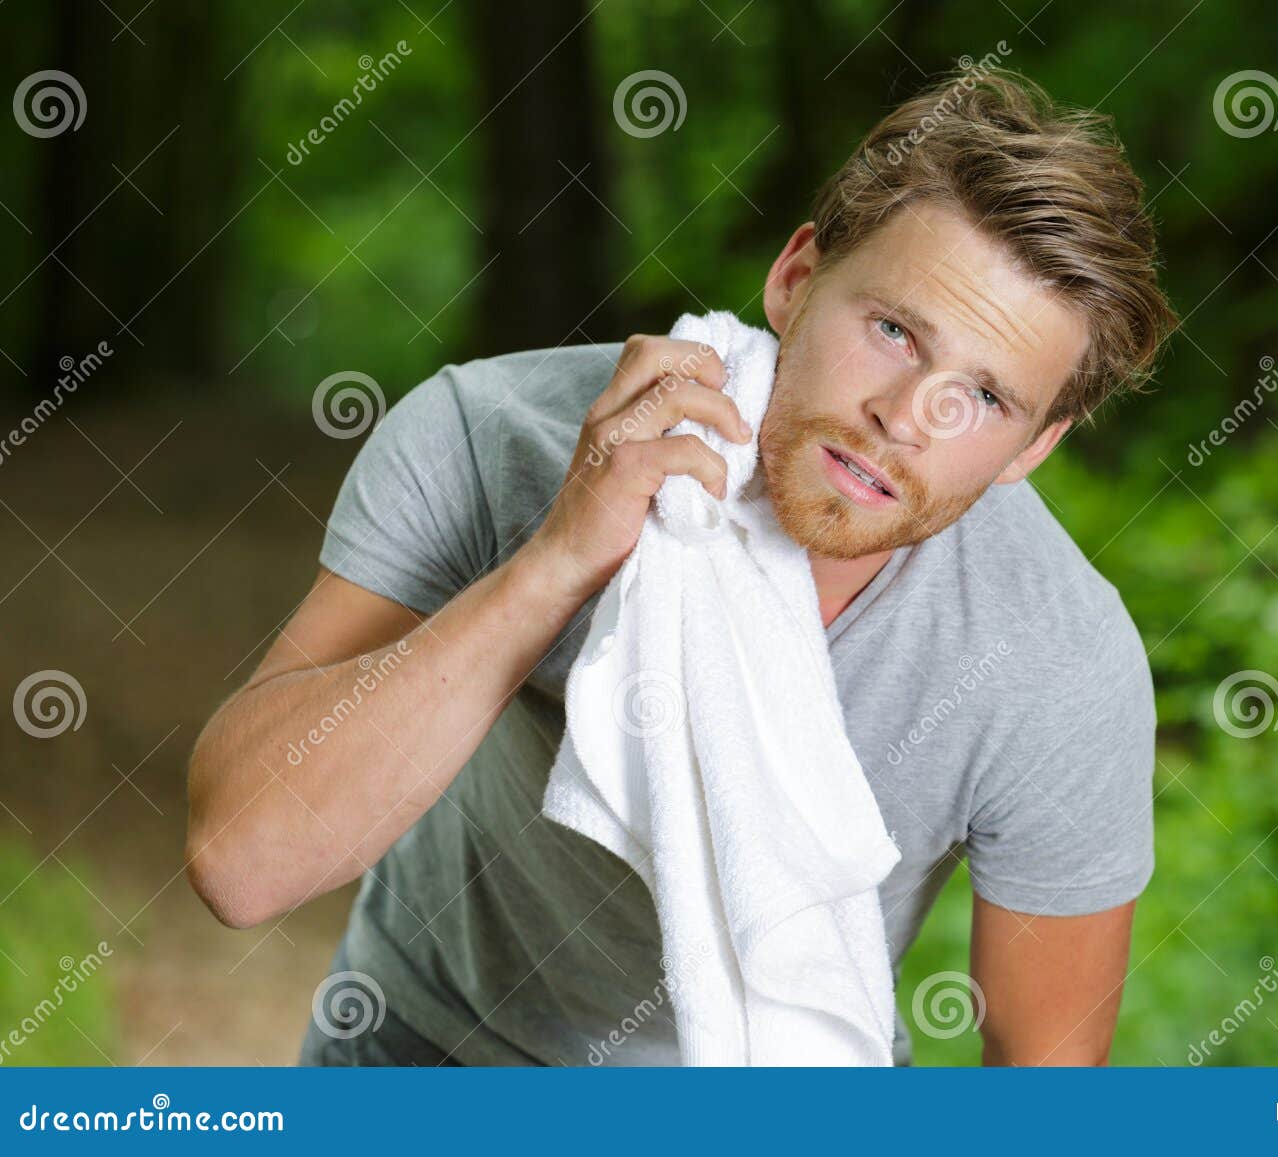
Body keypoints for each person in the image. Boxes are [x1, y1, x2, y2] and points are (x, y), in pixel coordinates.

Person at [185, 69, 1178, 1067]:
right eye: (893, 331)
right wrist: (560, 557)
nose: (908, 413)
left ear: (1029, 451)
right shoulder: (487, 436)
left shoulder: (1054, 657)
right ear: (795, 278)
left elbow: (1045, 1081)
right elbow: (242, 861)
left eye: (987, 397)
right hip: (423, 1048)